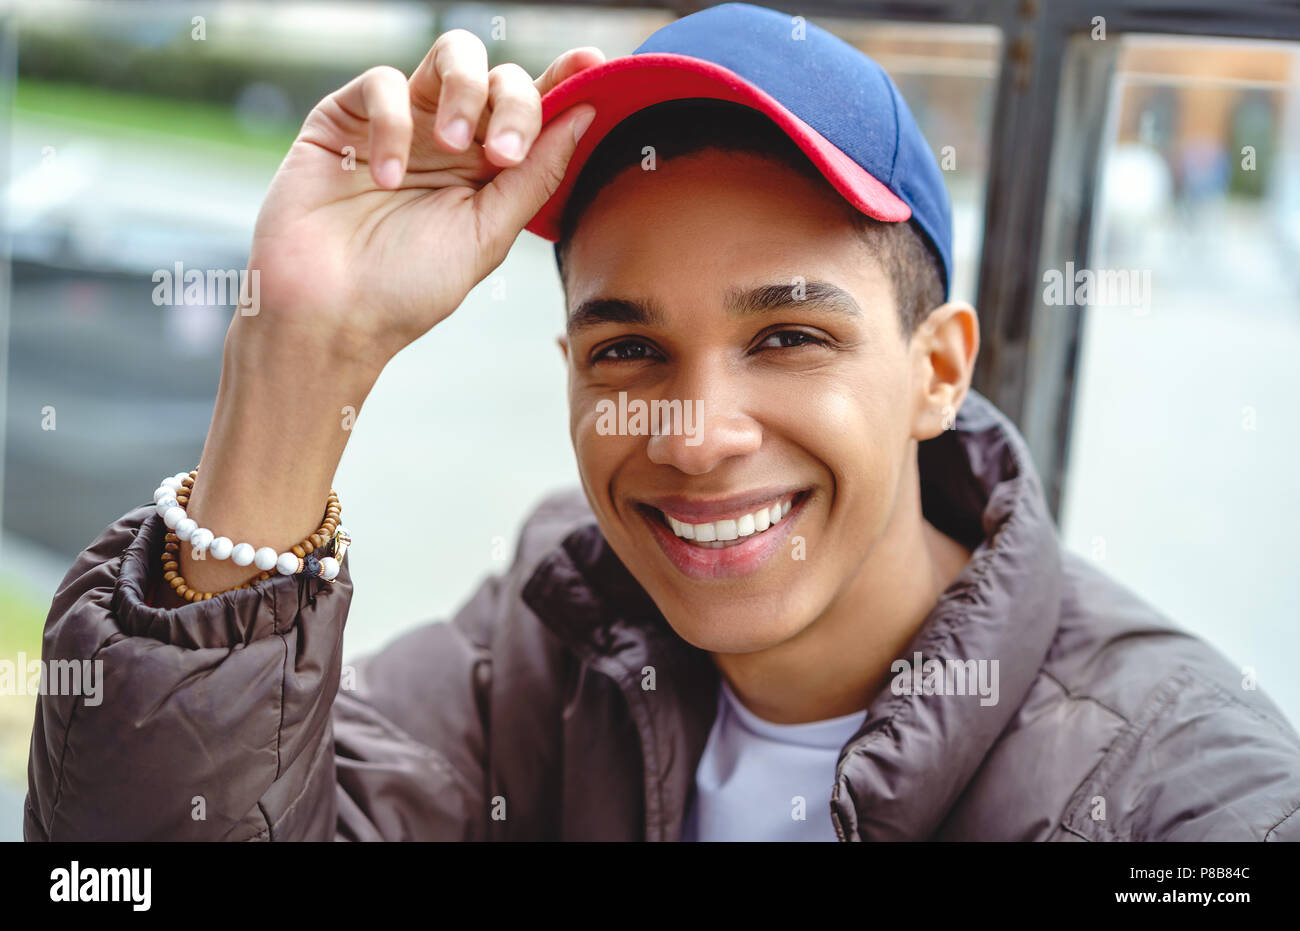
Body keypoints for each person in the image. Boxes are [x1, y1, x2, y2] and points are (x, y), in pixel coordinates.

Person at [24, 3, 1300, 841]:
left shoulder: (1179, 796)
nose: (693, 434)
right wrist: (298, 353)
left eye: (788, 336)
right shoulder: (545, 648)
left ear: (936, 369)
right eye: (628, 346)